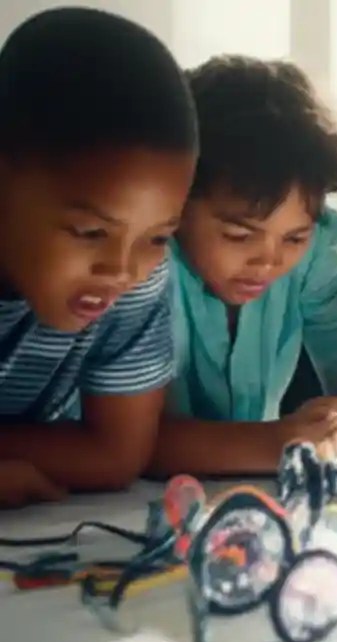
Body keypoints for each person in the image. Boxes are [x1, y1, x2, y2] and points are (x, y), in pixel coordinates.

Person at [0, 8, 197, 508]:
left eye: (157, 238)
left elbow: (115, 456)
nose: (122, 271)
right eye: (90, 231)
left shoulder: (133, 281)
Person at [150, 56, 337, 476]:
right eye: (239, 235)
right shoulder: (145, 266)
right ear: (176, 202)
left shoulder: (315, 251)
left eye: (294, 237)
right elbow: (134, 441)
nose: (270, 260)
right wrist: (278, 441)